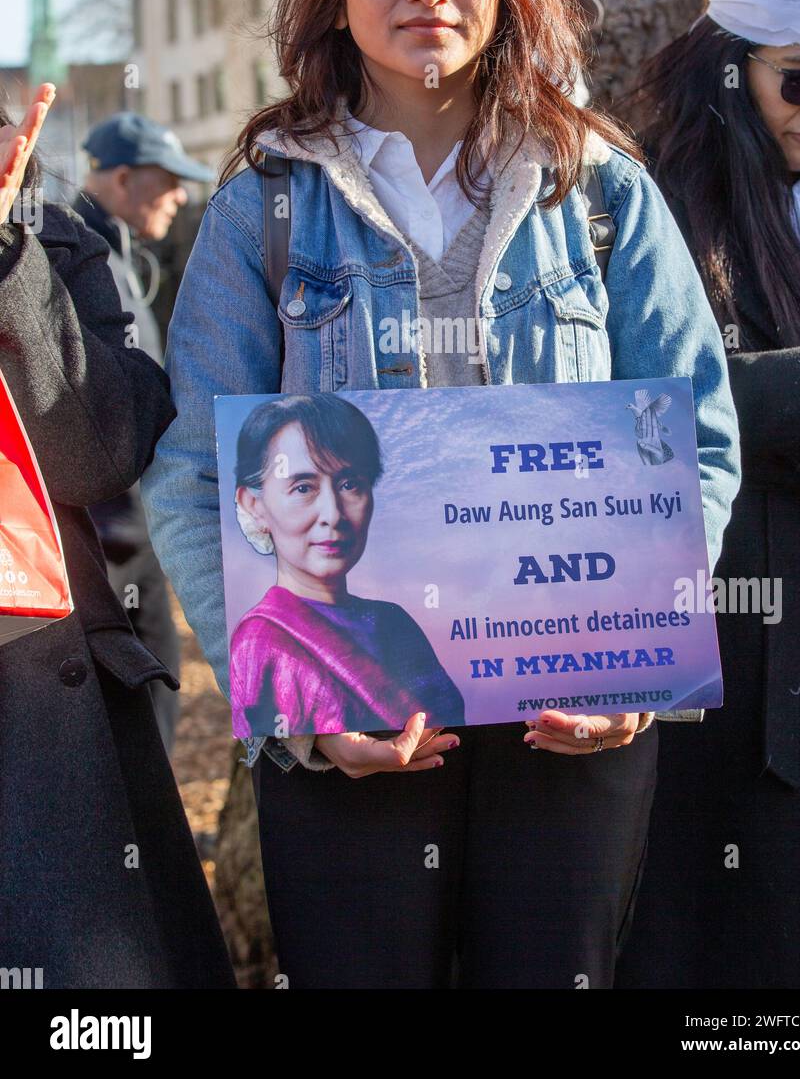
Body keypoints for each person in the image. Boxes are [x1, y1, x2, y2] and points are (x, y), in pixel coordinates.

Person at [142, 0, 740, 990]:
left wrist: (632, 659)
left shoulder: (601, 190)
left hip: (568, 727)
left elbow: (697, 437)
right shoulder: (261, 212)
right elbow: (194, 477)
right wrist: (295, 711)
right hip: (350, 728)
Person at [615, 0, 800, 990]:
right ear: (729, 67)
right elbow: (657, 402)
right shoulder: (657, 200)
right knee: (743, 916)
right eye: (796, 81)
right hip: (740, 623)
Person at [0, 89, 235, 987]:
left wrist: (6, 261)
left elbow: (100, 454)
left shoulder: (55, 240)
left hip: (47, 716)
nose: (174, 198)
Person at [73, 112, 211, 753]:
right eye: (169, 180)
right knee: (146, 712)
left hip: (129, 532)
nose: (180, 195)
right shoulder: (76, 261)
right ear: (123, 178)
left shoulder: (108, 254)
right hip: (114, 542)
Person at [230, 394, 465, 737]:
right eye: (303, 487)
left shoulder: (393, 622)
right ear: (255, 504)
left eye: (349, 484)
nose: (333, 514)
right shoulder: (260, 642)